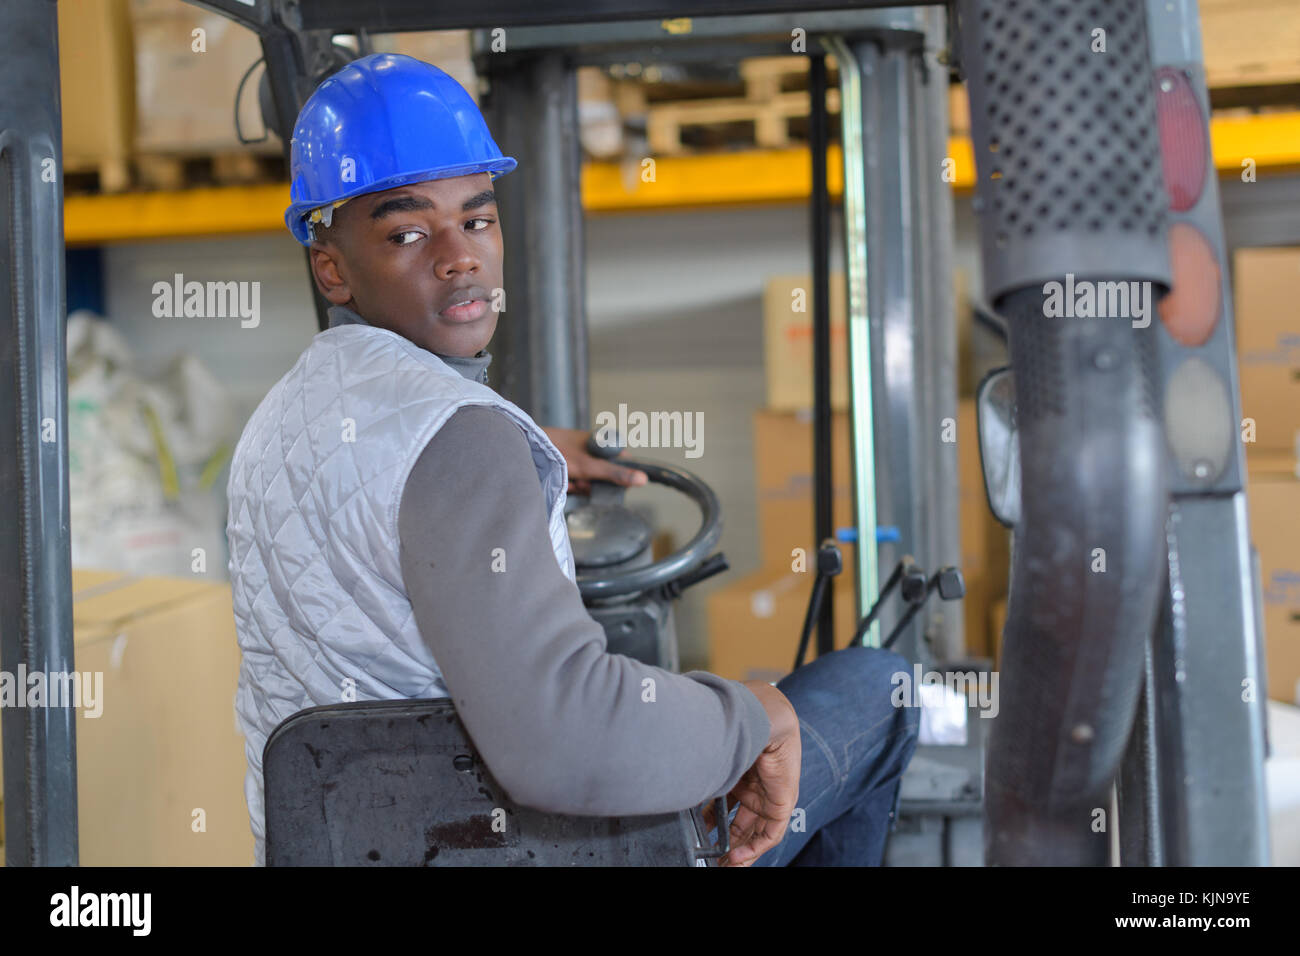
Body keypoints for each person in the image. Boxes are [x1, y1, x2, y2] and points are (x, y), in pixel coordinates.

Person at [226, 52, 919, 867]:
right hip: (526, 848)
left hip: (359, 844)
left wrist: (524, 451)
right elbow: (560, 738)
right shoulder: (460, 440)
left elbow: (380, 488)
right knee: (877, 689)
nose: (459, 257)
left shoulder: (278, 422)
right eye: (408, 232)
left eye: (477, 220)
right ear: (331, 266)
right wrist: (749, 718)